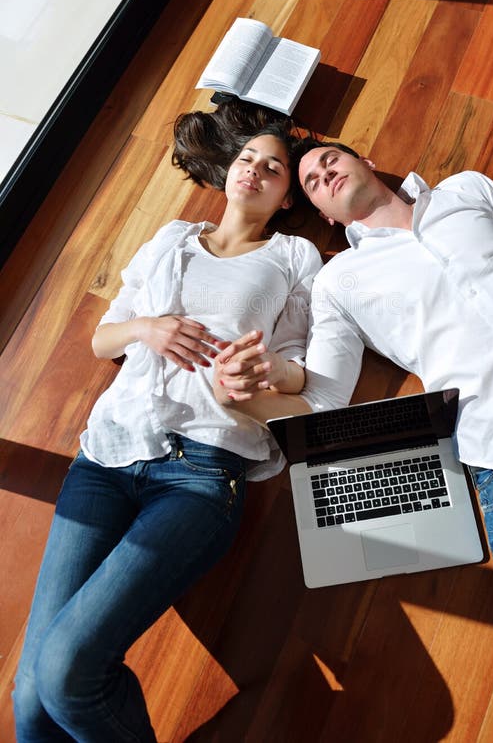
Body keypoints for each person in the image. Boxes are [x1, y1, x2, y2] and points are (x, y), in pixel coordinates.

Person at [214, 142, 493, 743]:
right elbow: (322, 396)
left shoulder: (467, 192)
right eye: (312, 181)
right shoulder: (339, 281)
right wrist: (253, 388)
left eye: (330, 161)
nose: (324, 174)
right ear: (324, 214)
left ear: (364, 159)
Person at [12, 112, 322, 743]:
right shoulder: (173, 236)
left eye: (273, 167)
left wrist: (256, 371)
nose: (256, 170)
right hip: (106, 457)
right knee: (31, 702)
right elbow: (104, 339)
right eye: (248, 159)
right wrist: (146, 329)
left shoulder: (294, 256)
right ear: (228, 171)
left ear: (286, 196)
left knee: (67, 669)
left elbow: (300, 370)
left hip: (201, 472)